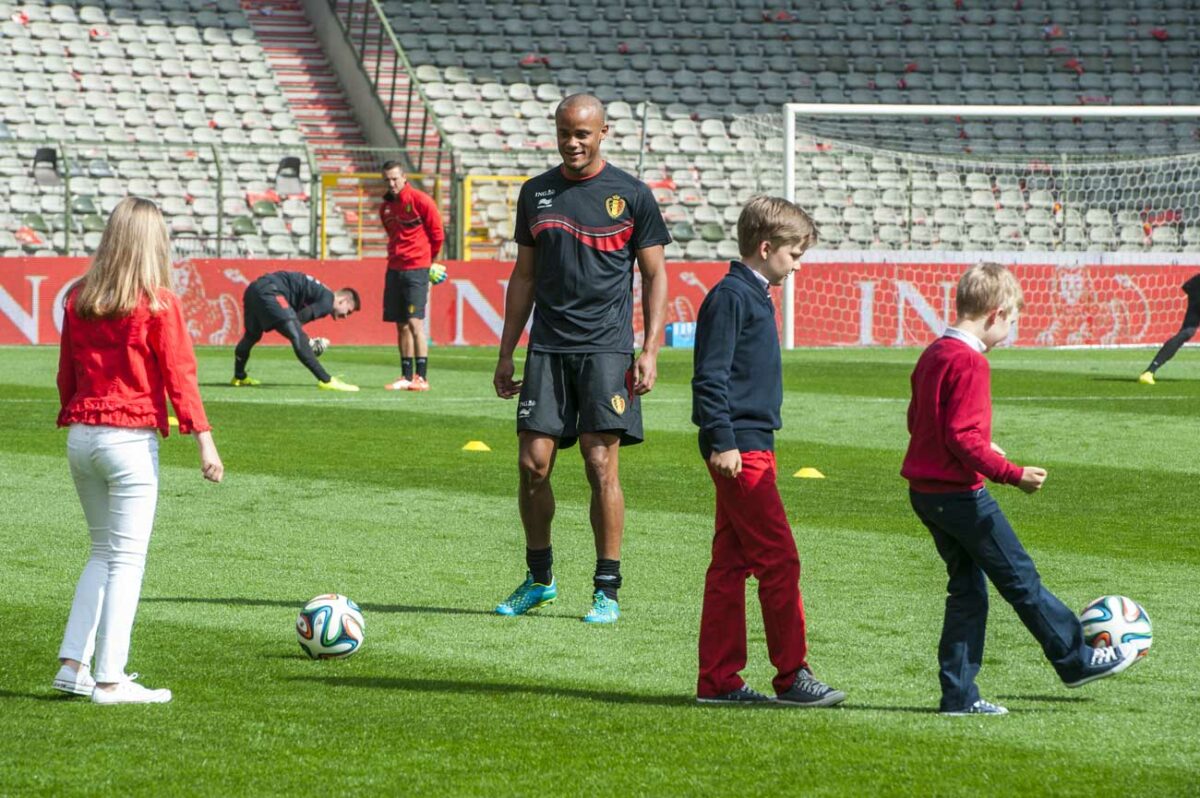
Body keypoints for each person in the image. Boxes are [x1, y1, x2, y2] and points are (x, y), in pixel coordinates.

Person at [902, 262, 1141, 716]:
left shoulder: (934, 352)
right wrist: (1013, 473)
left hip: (926, 493)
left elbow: (921, 423)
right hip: (960, 496)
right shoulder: (970, 361)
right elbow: (961, 437)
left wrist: (973, 445)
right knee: (1021, 580)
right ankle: (1075, 660)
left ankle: (958, 696)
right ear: (995, 313)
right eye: (1011, 320)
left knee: (967, 592)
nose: (1009, 330)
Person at [492, 93, 670, 623]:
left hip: (606, 348)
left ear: (603, 133)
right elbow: (523, 276)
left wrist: (650, 348)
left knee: (599, 464)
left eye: (583, 134)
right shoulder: (536, 194)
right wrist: (506, 351)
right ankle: (540, 578)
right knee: (532, 465)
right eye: (565, 133)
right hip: (547, 346)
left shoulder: (632, 196)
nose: (573, 142)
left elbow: (657, 274)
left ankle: (607, 589)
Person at [54, 197, 224, 704]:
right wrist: (204, 440)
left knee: (102, 553)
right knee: (126, 561)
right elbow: (180, 375)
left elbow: (66, 372)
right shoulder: (157, 303)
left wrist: (75, 412)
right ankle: (110, 678)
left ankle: (72, 665)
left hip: (82, 434)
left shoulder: (79, 297)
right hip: (127, 440)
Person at [692, 197, 845, 706]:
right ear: (765, 247)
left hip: (752, 445)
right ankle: (792, 676)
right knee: (780, 562)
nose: (798, 265)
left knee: (730, 566)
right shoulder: (732, 297)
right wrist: (723, 440)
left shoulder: (752, 295)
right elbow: (709, 378)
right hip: (742, 451)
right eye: (794, 254)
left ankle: (717, 681)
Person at [230, 271, 361, 392]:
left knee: (251, 336)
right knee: (297, 336)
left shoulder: (322, 293)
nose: (346, 316)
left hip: (253, 289)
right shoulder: (328, 301)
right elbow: (298, 321)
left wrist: (307, 340)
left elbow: (294, 321)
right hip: (270, 291)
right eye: (348, 311)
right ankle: (327, 380)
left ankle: (239, 376)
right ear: (342, 300)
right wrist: (309, 343)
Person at [379, 161, 445, 391]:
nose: (392, 183)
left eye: (395, 178)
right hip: (394, 268)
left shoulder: (420, 200)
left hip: (417, 269)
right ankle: (406, 376)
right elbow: (392, 235)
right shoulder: (386, 207)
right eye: (387, 179)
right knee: (401, 325)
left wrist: (429, 261)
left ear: (404, 177)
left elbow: (437, 233)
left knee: (416, 322)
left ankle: (422, 377)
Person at [1139, 272, 1200, 384]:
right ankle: (1149, 372)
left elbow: (1187, 286)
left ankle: (1149, 371)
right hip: (1196, 291)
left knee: (1187, 332)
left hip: (1195, 288)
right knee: (1187, 331)